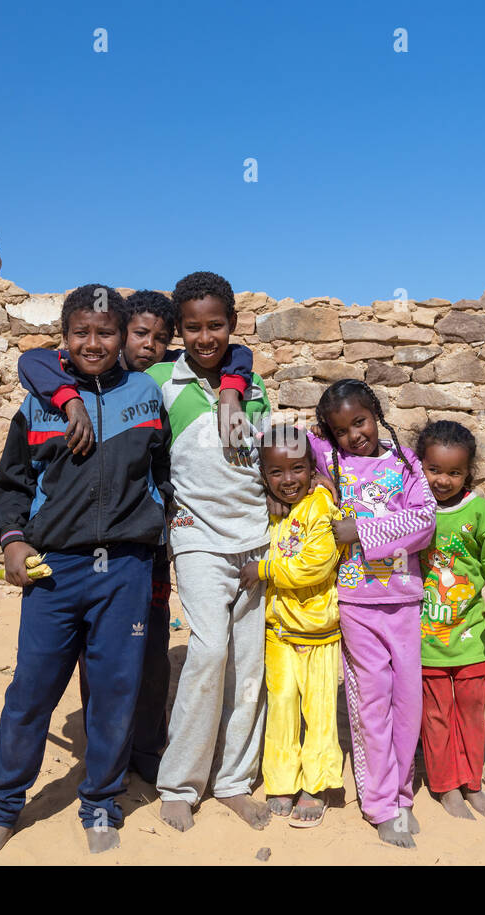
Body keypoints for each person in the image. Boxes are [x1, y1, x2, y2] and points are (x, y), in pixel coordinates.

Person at [0, 284, 170, 861]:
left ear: (123, 337)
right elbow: (11, 485)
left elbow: (162, 473)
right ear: (64, 337)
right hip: (53, 572)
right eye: (81, 332)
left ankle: (101, 800)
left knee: (113, 690)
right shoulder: (38, 404)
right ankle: (2, 808)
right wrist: (11, 540)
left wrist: (157, 529)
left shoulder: (145, 396)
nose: (94, 342)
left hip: (126, 570)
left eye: (106, 332)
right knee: (31, 689)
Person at [17, 290, 253, 784]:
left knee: (143, 655)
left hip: (144, 552)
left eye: (160, 338)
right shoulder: (69, 379)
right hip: (79, 555)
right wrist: (68, 399)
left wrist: (230, 388)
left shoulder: (157, 380)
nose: (148, 345)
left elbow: (236, 354)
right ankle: (109, 758)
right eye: (139, 334)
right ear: (123, 333)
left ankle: (147, 753)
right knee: (91, 659)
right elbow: (33, 359)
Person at [148, 271, 274, 833]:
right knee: (208, 653)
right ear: (179, 329)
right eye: (193, 327)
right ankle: (179, 782)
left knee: (250, 664)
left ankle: (234, 781)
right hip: (197, 537)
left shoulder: (254, 383)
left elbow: (271, 455)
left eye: (216, 326)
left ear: (233, 326)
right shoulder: (158, 380)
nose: (206, 337)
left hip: (256, 538)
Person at [308, 379, 435, 847]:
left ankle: (404, 792)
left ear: (376, 413)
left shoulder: (405, 463)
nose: (353, 435)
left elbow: (424, 521)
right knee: (371, 704)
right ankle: (382, 803)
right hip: (357, 603)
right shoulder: (332, 458)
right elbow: (280, 440)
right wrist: (316, 468)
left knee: (408, 703)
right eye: (340, 429)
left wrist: (359, 529)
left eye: (359, 421)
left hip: (403, 602)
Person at [238, 426, 344, 827]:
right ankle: (280, 779)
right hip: (279, 632)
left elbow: (314, 564)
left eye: (297, 469)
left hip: (319, 634)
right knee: (280, 706)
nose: (288, 481)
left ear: (312, 469)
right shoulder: (269, 508)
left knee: (318, 712)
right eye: (276, 473)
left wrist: (264, 569)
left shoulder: (322, 507)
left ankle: (316, 785)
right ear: (263, 475)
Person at [416, 420, 485, 820]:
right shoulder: (410, 508)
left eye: (454, 472)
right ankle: (445, 787)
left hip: (471, 636)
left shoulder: (480, 512)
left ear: (468, 472)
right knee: (436, 715)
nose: (443, 480)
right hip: (427, 641)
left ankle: (472, 782)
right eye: (434, 470)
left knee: (471, 712)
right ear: (419, 465)